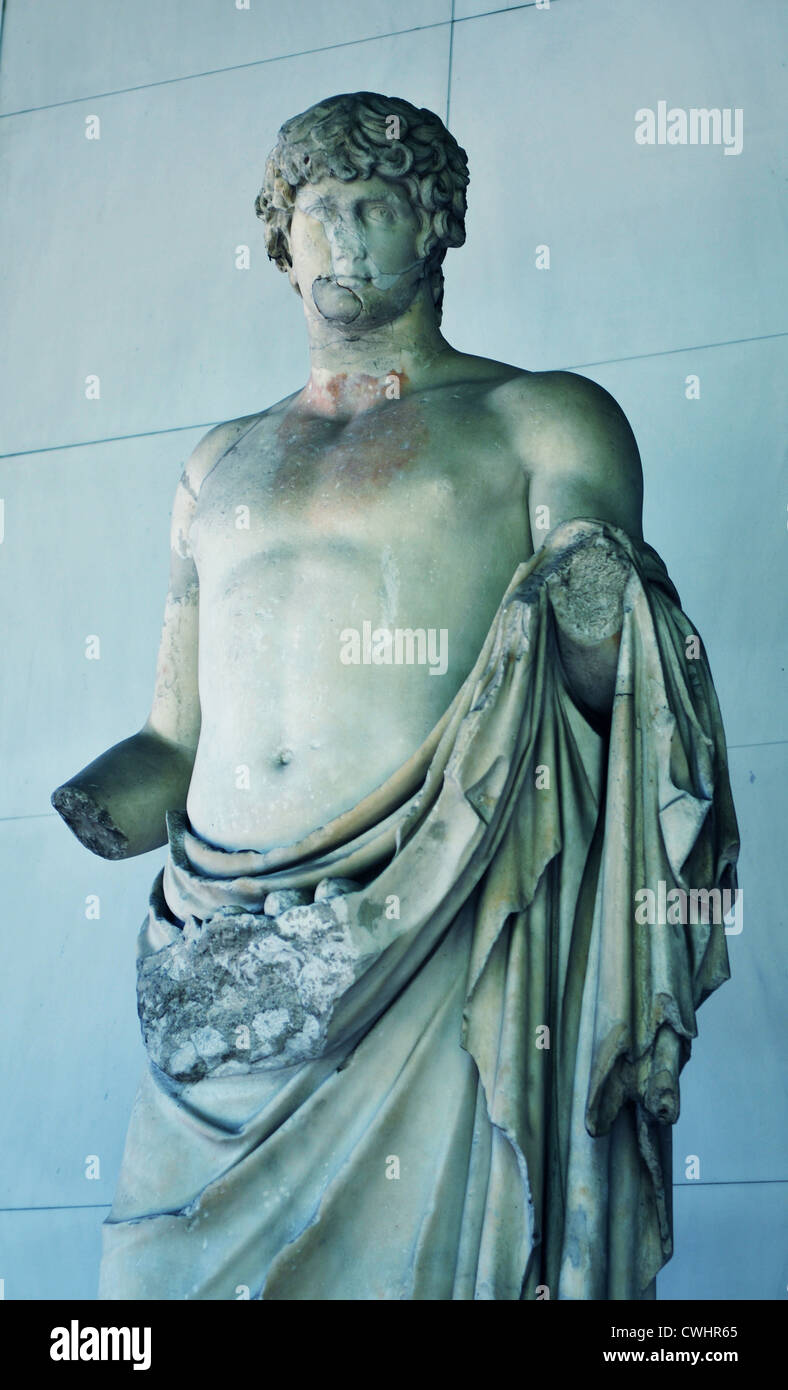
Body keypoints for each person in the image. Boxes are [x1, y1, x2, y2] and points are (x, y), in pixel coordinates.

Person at [53, 92, 738, 1301]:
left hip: (434, 920)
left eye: (370, 205)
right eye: (313, 211)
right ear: (279, 238)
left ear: (433, 225)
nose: (339, 236)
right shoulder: (218, 463)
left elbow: (607, 687)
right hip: (213, 946)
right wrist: (100, 797)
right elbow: (174, 734)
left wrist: (599, 608)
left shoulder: (535, 417)